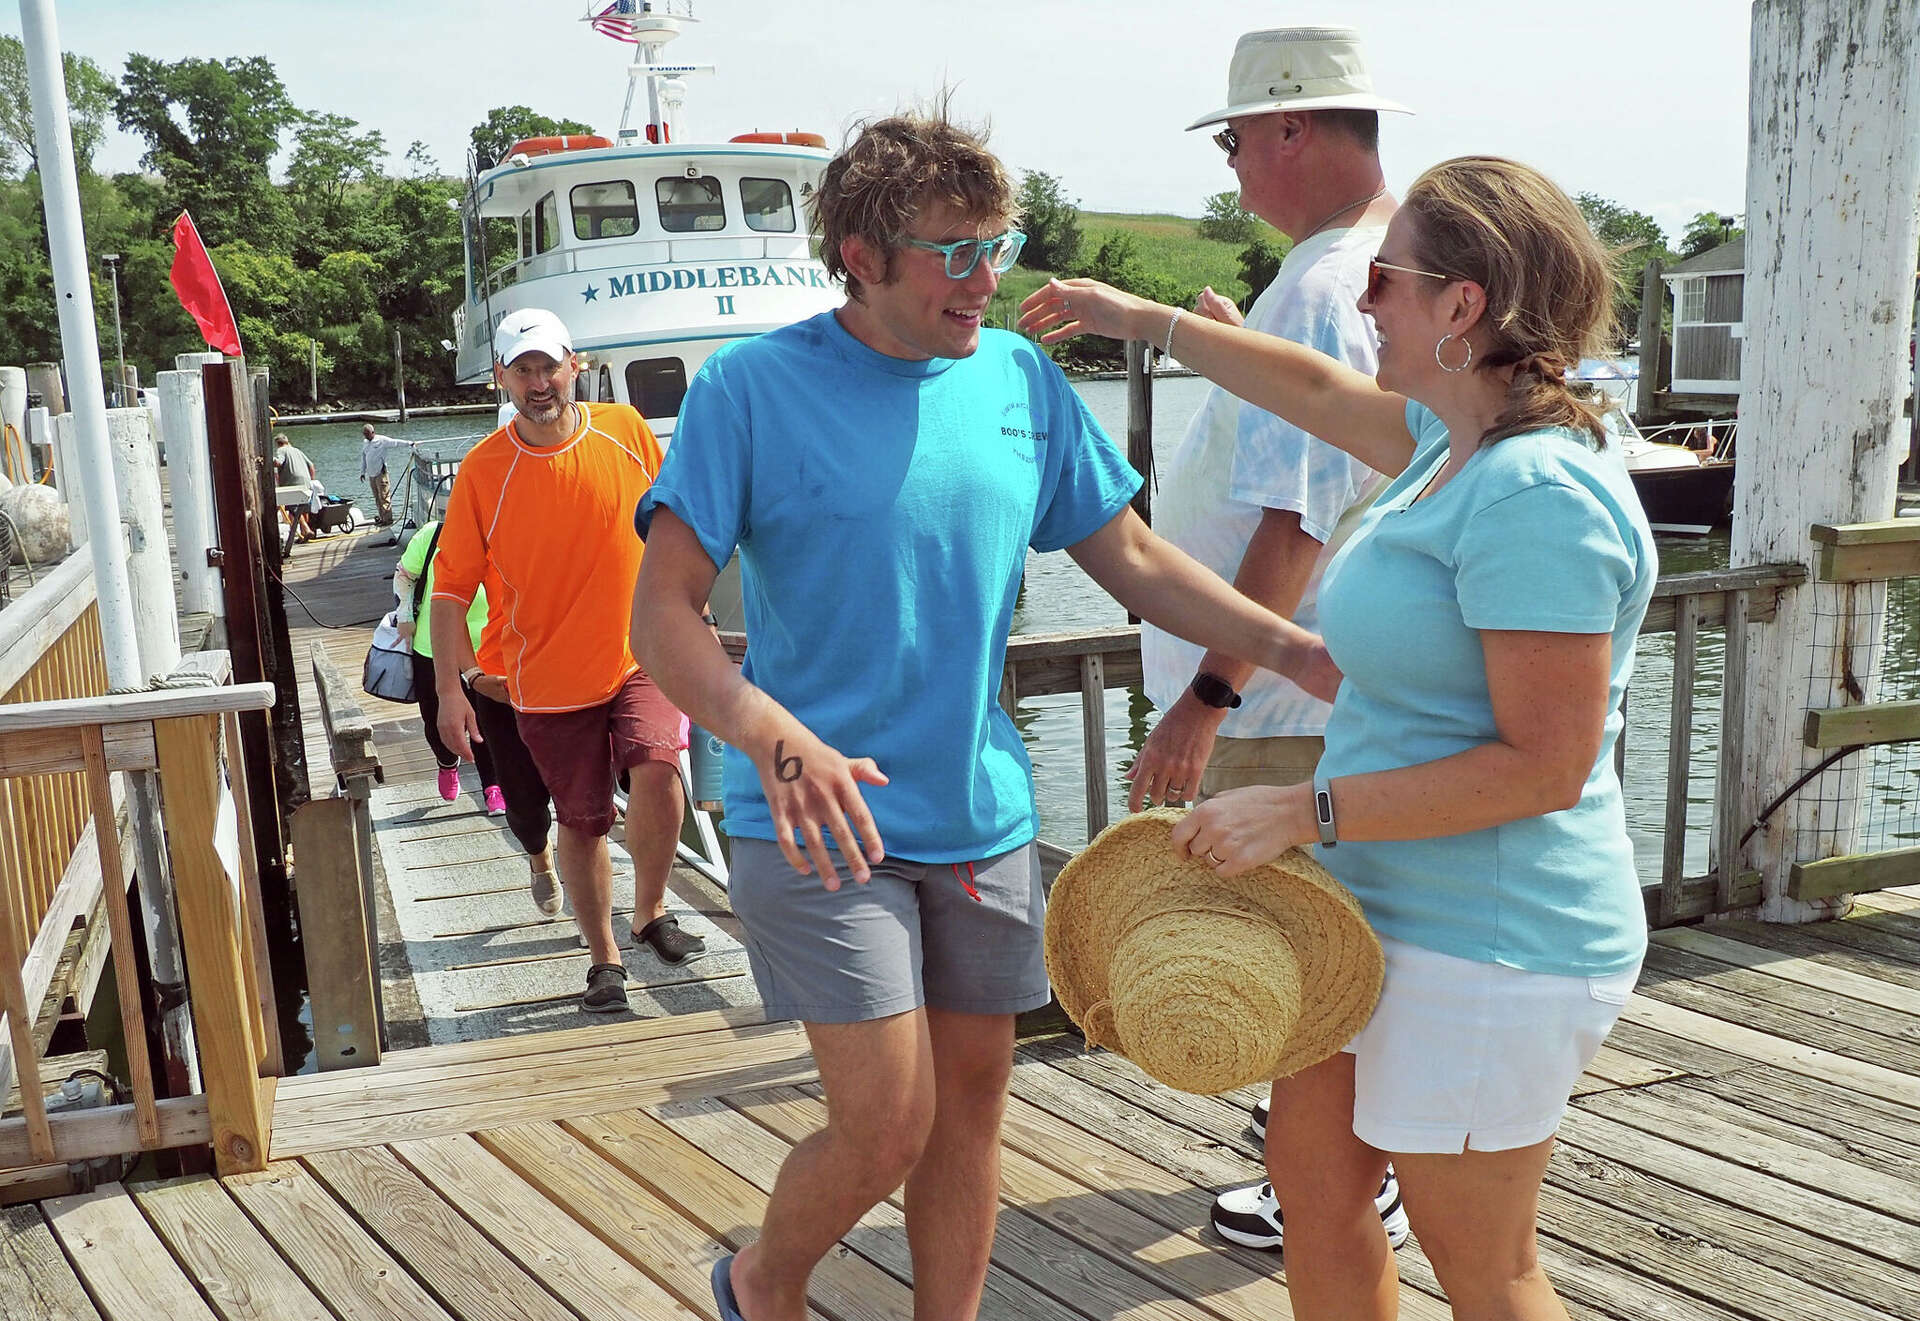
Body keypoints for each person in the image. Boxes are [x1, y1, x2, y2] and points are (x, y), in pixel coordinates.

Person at [629, 107, 1334, 1321]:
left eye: (996, 244)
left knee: (968, 1115)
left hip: (979, 810)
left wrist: (1291, 648)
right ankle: (762, 1280)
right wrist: (766, 733)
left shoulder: (1018, 378)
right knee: (887, 1120)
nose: (986, 277)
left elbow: (1133, 558)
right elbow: (663, 618)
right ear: (861, 252)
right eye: (956, 250)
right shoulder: (751, 389)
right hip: (812, 815)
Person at [1020, 155, 1657, 1321]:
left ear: (1460, 307)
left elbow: (1547, 765)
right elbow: (1306, 388)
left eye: (1383, 280)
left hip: (1496, 935)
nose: (1363, 302)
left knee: (1484, 1260)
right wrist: (1140, 318)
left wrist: (1306, 811)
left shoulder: (1536, 496)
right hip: (1379, 909)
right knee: (1313, 1187)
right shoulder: (1444, 446)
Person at [1126, 26, 1410, 1254]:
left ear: (1292, 130)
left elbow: (1296, 525)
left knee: (1301, 954)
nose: (1233, 167)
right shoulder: (1361, 274)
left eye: (1238, 139)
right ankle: (1333, 1165)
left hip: (1284, 712)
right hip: (1318, 701)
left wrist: (1208, 693)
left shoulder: (1316, 285)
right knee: (1316, 945)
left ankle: (1336, 1189)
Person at [429, 307, 705, 1014]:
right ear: (502, 379)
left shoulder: (626, 430)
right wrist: (452, 693)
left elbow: (675, 523)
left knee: (660, 766)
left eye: (549, 365)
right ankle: (604, 958)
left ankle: (648, 913)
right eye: (523, 369)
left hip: (642, 651)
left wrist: (693, 607)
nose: (539, 381)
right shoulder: (484, 471)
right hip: (544, 677)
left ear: (574, 364)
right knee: (581, 821)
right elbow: (451, 589)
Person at [393, 520, 505, 813]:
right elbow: (403, 577)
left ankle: (492, 785)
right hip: (433, 647)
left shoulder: (501, 534)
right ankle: (446, 762)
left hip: (486, 650)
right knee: (435, 720)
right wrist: (405, 615)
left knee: (485, 723)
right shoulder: (433, 534)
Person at [360, 422, 412, 526]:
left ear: (373, 432)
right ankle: (382, 518)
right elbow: (364, 458)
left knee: (384, 496)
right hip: (371, 475)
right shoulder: (365, 443)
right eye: (364, 434)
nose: (366, 436)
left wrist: (409, 443)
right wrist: (362, 472)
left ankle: (388, 519)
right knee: (377, 497)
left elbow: (395, 442)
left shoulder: (381, 440)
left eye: (367, 433)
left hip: (381, 473)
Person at [273, 433, 317, 544]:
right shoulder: (297, 450)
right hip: (305, 482)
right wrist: (311, 480)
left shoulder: (281, 450)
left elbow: (278, 462)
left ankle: (306, 529)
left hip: (292, 483)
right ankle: (303, 534)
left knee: (293, 509)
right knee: (300, 509)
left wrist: (269, 459)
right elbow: (311, 465)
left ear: (278, 443)